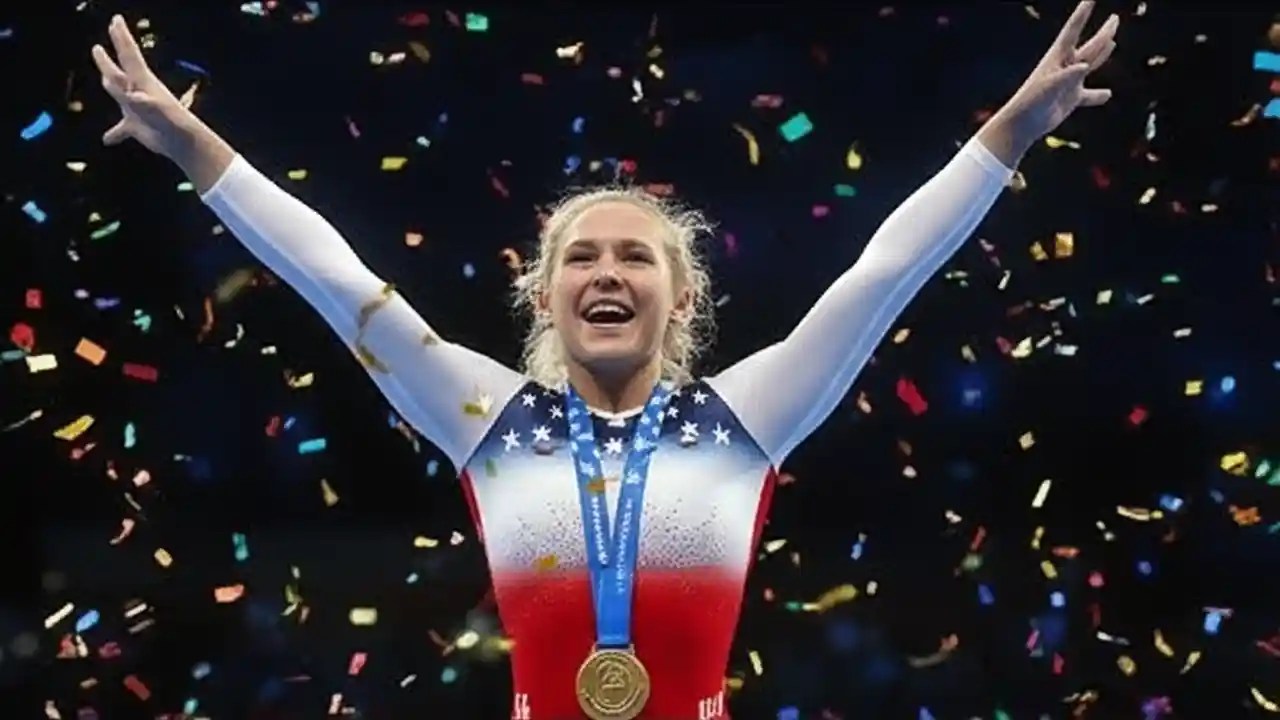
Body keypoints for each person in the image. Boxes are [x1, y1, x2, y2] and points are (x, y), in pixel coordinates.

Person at [92, 3, 1118, 718]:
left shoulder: (742, 417)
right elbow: (335, 277)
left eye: (636, 255)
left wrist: (1014, 128)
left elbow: (882, 271)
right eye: (580, 256)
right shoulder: (486, 418)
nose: (607, 271)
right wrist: (192, 146)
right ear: (544, 296)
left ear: (679, 298)